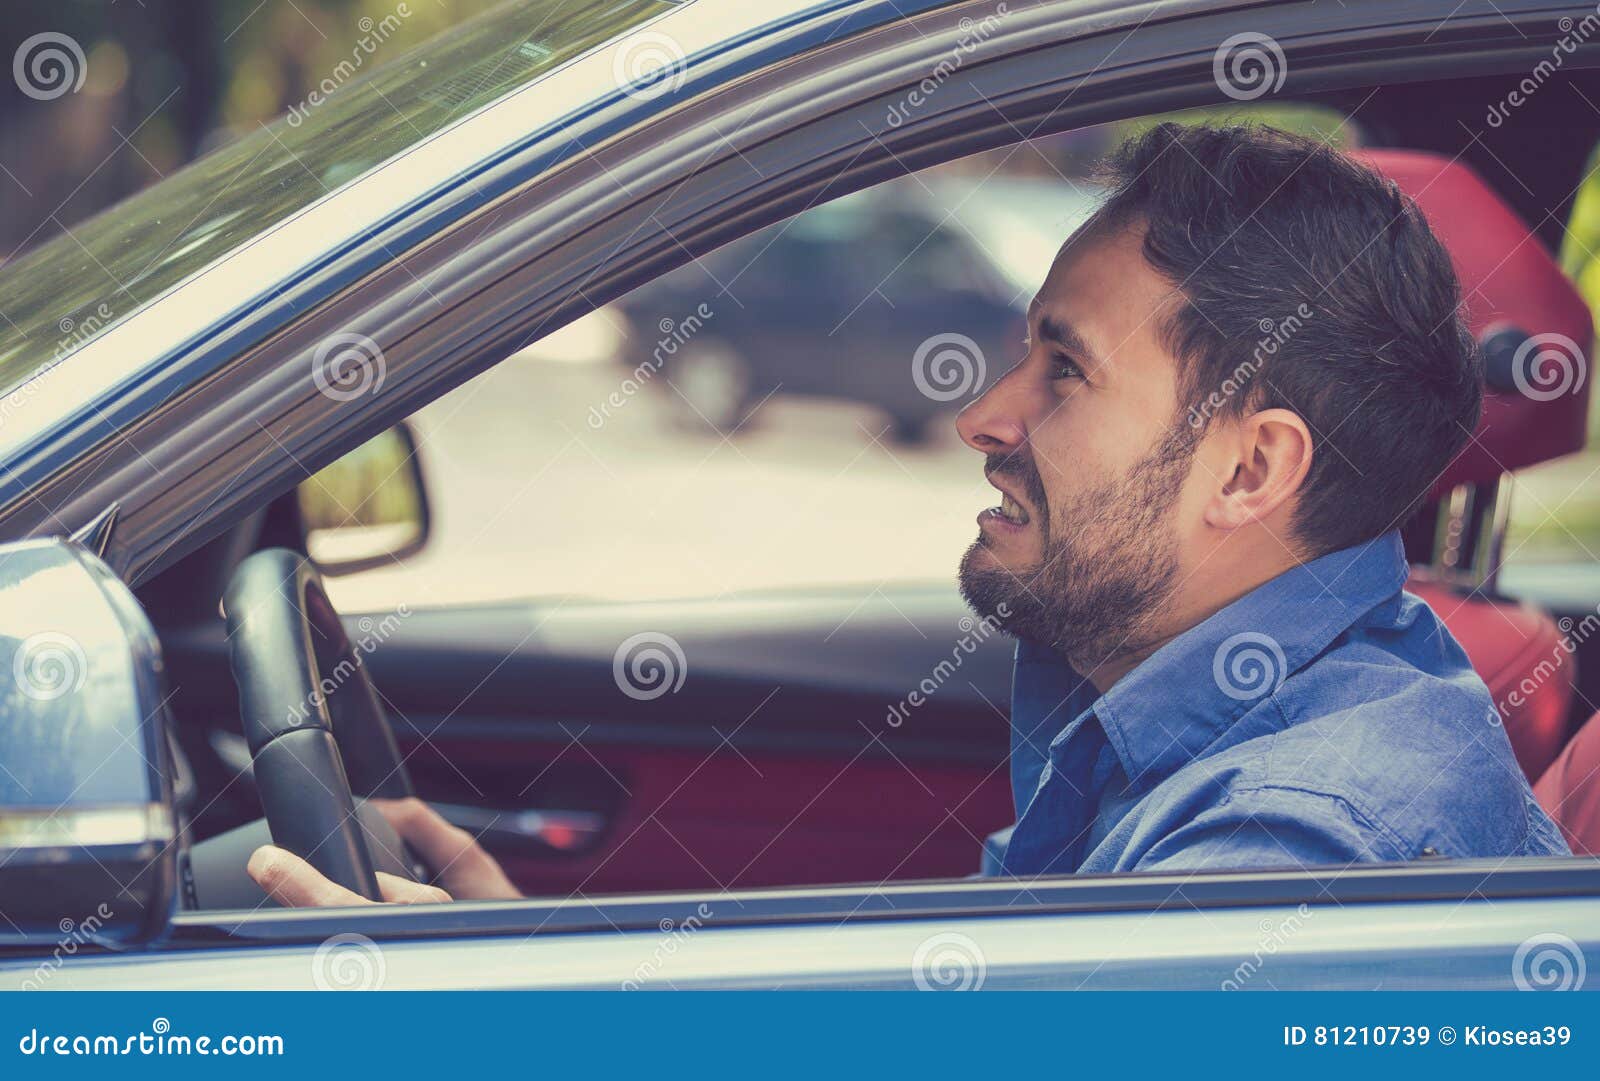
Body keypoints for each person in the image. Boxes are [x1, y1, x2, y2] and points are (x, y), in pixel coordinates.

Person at [249, 122, 1568, 906]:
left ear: (1248, 469)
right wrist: (509, 977)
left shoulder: (1282, 853)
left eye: (1065, 368)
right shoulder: (1215, 701)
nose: (982, 416)